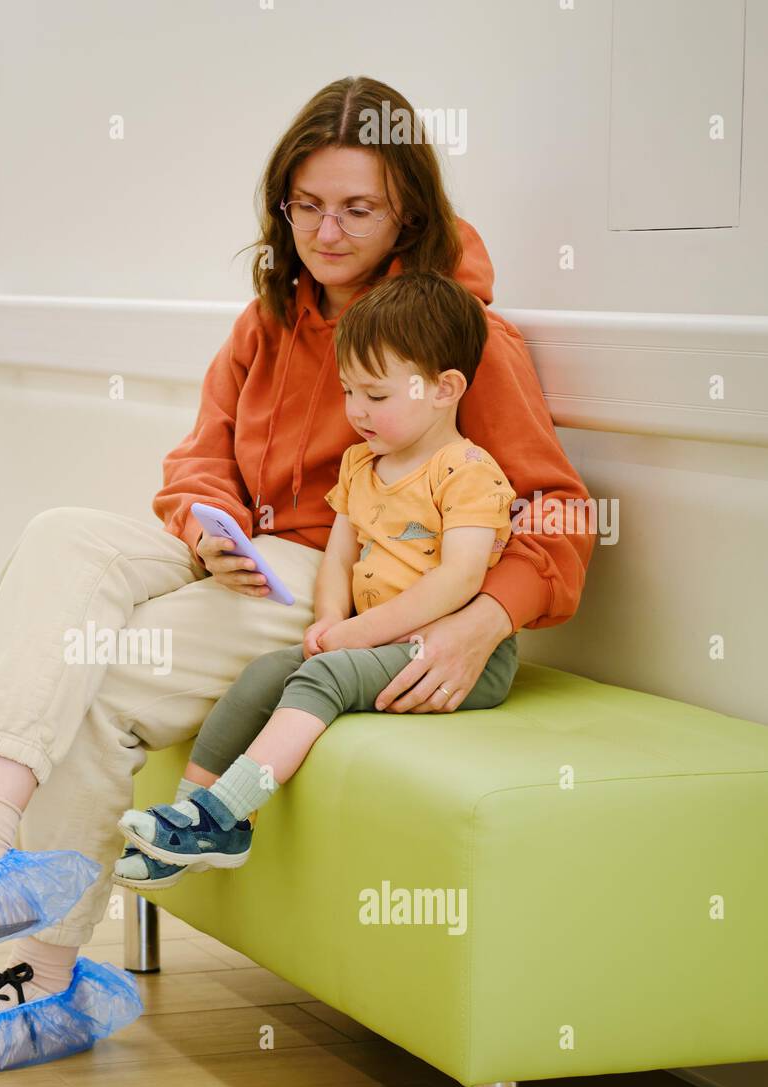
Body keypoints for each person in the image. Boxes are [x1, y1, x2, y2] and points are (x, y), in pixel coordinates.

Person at [0, 75, 593, 1049]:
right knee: (59, 536)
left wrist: (480, 619)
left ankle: (42, 976)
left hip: (337, 584)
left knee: (101, 681)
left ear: (407, 208)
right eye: (305, 206)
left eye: (355, 209)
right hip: (237, 553)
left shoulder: (455, 334)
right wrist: (207, 524)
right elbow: (200, 455)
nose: (324, 233)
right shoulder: (268, 319)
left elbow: (555, 508)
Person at [114, 269, 519, 885]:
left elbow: (460, 580)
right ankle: (188, 817)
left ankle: (226, 816)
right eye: (348, 392)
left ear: (445, 388)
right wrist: (331, 617)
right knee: (264, 673)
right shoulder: (362, 464)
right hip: (377, 638)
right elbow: (339, 557)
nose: (356, 411)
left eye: (376, 397)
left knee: (324, 673)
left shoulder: (466, 472)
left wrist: (360, 634)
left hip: (451, 653)